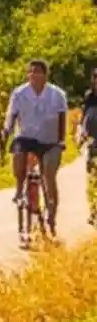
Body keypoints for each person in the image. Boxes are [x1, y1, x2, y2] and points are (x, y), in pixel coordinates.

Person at [3, 59, 68, 232]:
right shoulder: (19, 93)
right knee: (18, 152)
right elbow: (11, 116)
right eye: (31, 72)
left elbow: (62, 118)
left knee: (49, 174)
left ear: (46, 75)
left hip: (50, 140)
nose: (34, 75)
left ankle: (51, 211)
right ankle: (19, 188)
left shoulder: (57, 95)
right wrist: (6, 131)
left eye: (38, 72)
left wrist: (61, 141)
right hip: (27, 137)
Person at [76, 68, 97, 225]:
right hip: (93, 141)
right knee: (92, 176)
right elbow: (84, 118)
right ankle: (93, 211)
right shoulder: (89, 96)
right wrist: (81, 134)